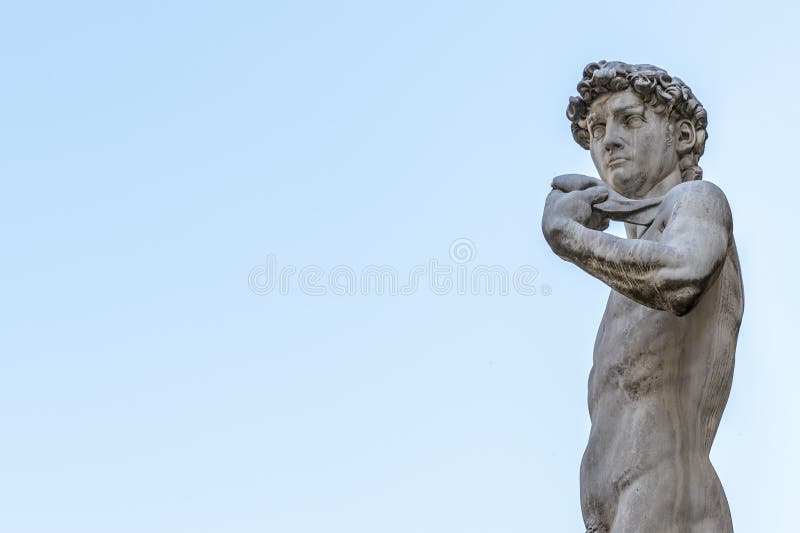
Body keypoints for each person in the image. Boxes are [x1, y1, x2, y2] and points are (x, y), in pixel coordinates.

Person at [541, 61, 744, 532]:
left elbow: (684, 275)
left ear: (684, 136)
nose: (608, 139)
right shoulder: (629, 268)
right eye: (596, 128)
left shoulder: (697, 202)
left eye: (630, 120)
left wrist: (567, 236)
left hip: (668, 504)